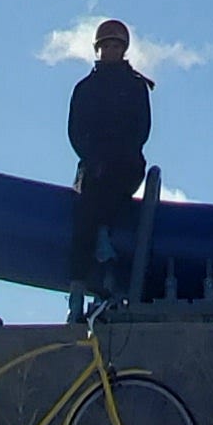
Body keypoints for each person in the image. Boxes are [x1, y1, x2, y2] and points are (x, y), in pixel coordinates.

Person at [65, 17, 155, 316]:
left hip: (126, 164)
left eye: (116, 46)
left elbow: (141, 128)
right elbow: (76, 129)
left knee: (107, 195)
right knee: (86, 209)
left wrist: (120, 155)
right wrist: (93, 157)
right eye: (106, 46)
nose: (111, 51)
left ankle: (107, 262)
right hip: (93, 163)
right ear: (98, 49)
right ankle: (78, 288)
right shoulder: (85, 88)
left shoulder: (134, 87)